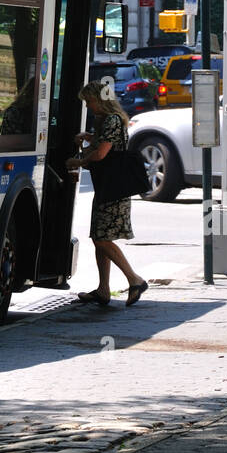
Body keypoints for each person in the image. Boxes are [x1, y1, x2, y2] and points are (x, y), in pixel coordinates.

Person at [66, 78, 148, 308]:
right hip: (108, 185)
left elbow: (102, 154)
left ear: (100, 101)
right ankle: (103, 290)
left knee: (102, 239)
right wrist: (90, 137)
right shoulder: (110, 120)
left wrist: (78, 160)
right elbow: (107, 144)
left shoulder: (111, 120)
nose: (87, 106)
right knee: (100, 237)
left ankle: (135, 279)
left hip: (113, 187)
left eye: (89, 101)